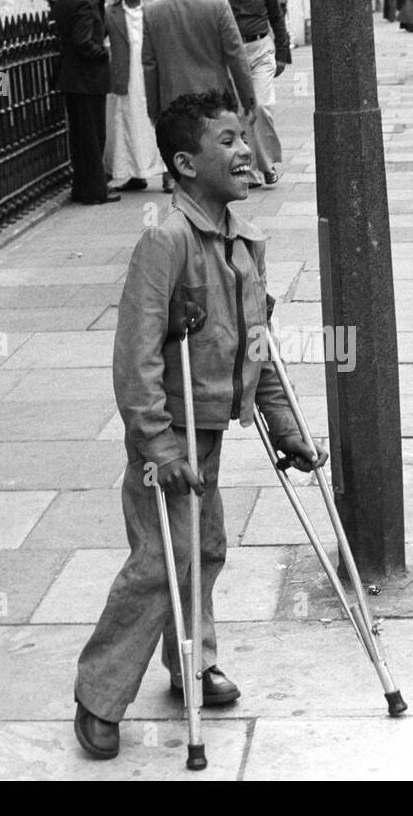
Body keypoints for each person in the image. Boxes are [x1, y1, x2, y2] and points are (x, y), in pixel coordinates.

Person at [72, 90, 325, 760]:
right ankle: (98, 692)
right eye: (228, 141)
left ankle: (191, 658)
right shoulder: (166, 241)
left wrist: (282, 422)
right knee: (162, 559)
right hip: (169, 435)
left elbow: (257, 343)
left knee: (205, 549)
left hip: (211, 426)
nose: (245, 151)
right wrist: (156, 441)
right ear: (185, 163)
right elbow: (136, 354)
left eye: (245, 137)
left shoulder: (245, 243)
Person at [143, 0, 256, 194]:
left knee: (179, 146)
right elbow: (236, 56)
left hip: (173, 98)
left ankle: (174, 179)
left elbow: (149, 65)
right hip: (213, 99)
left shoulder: (153, 11)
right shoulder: (218, 6)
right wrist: (248, 99)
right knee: (213, 148)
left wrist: (153, 108)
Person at [210, 0, 290, 188]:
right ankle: (257, 170)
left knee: (263, 106)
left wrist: (282, 53)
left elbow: (277, 18)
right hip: (232, 53)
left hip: (261, 49)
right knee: (243, 112)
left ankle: (265, 164)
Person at [51, 0, 117, 205]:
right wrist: (105, 52)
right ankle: (95, 190)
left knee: (81, 137)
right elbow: (83, 42)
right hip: (86, 80)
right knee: (92, 137)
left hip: (72, 80)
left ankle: (84, 187)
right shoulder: (83, 3)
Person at [104, 0, 163, 192]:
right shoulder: (111, 12)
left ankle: (166, 172)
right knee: (127, 122)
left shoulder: (154, 8)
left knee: (156, 123)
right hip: (125, 76)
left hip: (150, 73)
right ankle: (132, 174)